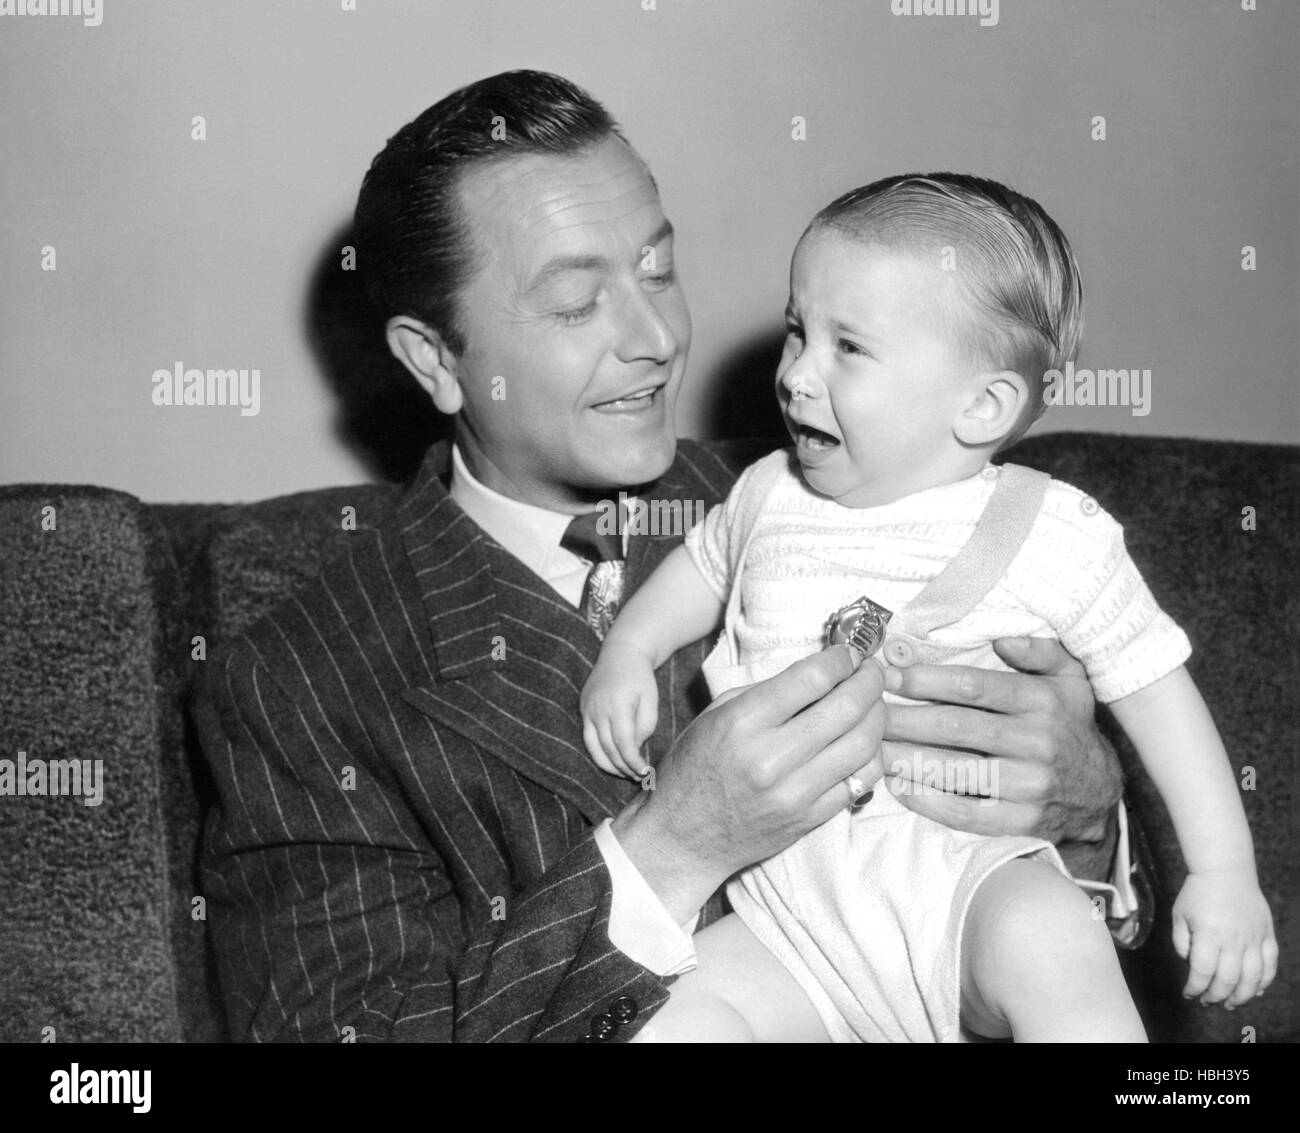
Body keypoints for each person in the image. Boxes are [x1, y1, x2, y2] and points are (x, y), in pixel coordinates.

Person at [197, 71, 1132, 1043]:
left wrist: (1082, 813)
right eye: (573, 304)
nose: (655, 340)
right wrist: (667, 850)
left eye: (655, 271)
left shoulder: (846, 487)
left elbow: (1063, 935)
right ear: (436, 359)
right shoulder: (296, 686)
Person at [580, 173, 1278, 1042]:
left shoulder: (1046, 528)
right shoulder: (768, 492)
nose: (796, 373)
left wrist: (1223, 868)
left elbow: (1158, 690)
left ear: (982, 405)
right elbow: (702, 566)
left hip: (966, 882)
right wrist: (628, 649)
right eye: (799, 330)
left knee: (1052, 942)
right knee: (664, 1020)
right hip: (790, 923)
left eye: (849, 348)